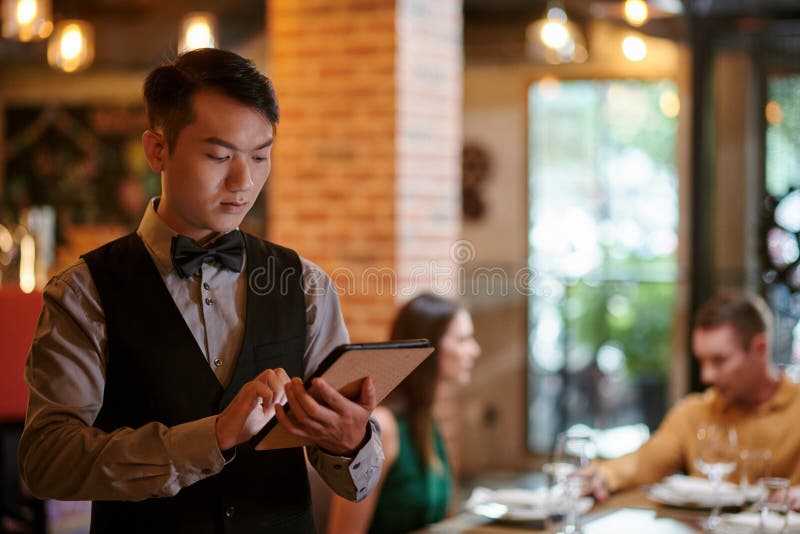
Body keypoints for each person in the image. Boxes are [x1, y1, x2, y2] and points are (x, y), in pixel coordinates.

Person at [17, 48, 383, 533]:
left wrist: (353, 443)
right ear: (157, 149)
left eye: (260, 155)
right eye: (219, 155)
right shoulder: (85, 292)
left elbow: (355, 479)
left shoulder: (306, 285)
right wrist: (210, 438)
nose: (244, 180)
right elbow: (46, 460)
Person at [586, 290, 800, 501]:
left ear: (759, 348)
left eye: (719, 360)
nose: (706, 375)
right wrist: (606, 475)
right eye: (702, 361)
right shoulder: (693, 413)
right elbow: (643, 463)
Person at [326, 293, 481, 534]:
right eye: (462, 340)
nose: (475, 350)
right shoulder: (384, 426)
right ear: (430, 346)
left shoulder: (426, 419)